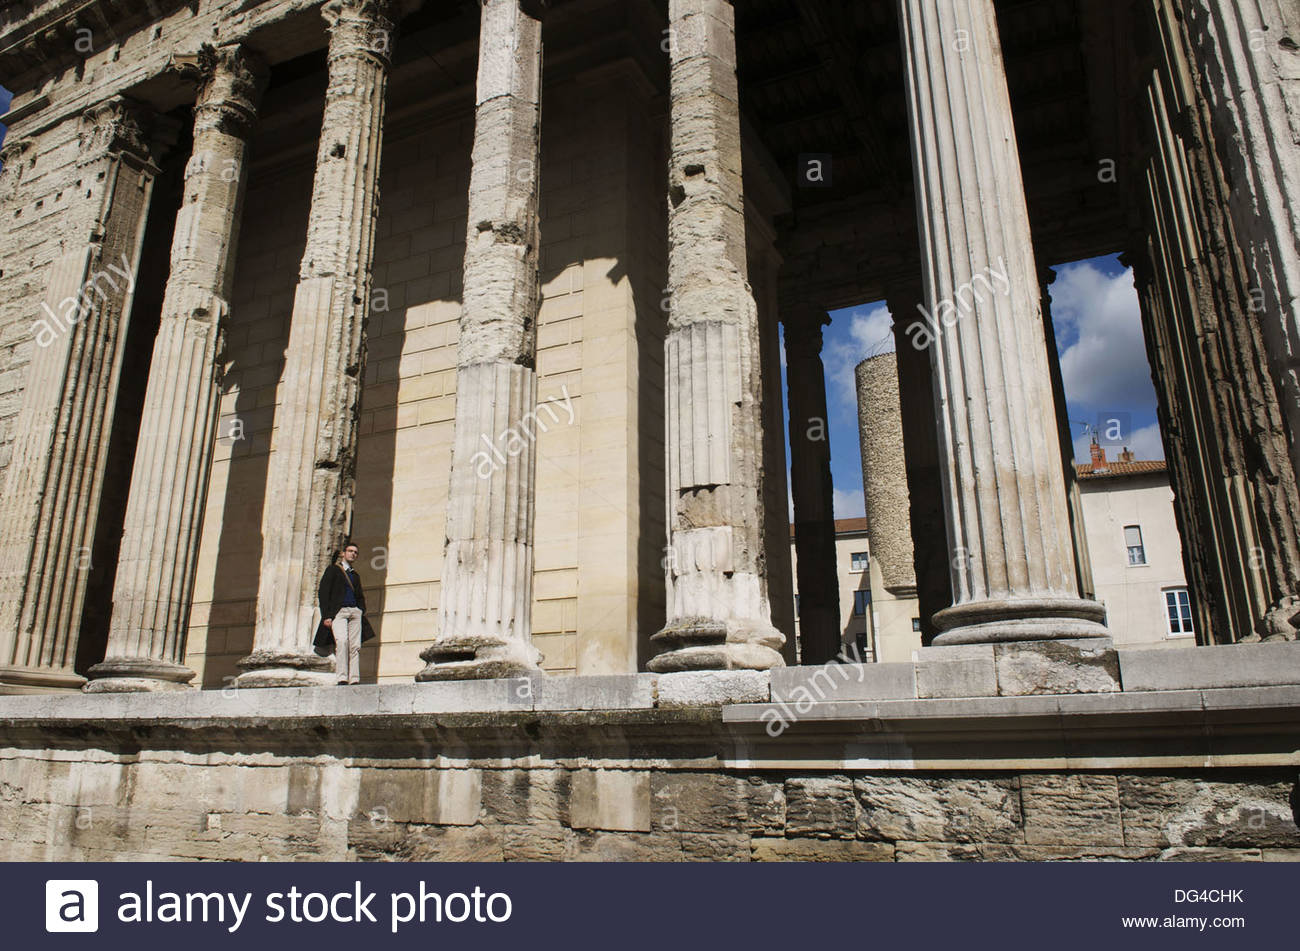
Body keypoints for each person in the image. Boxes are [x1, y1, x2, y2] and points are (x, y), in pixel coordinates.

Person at [313, 542, 375, 685]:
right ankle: (341, 677)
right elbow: (323, 592)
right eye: (350, 551)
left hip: (354, 612)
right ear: (343, 553)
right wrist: (327, 615)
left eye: (355, 552)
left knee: (355, 646)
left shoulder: (355, 575)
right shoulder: (333, 570)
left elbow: (360, 595)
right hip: (339, 612)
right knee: (342, 642)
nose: (353, 554)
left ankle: (354, 678)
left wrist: (361, 609)